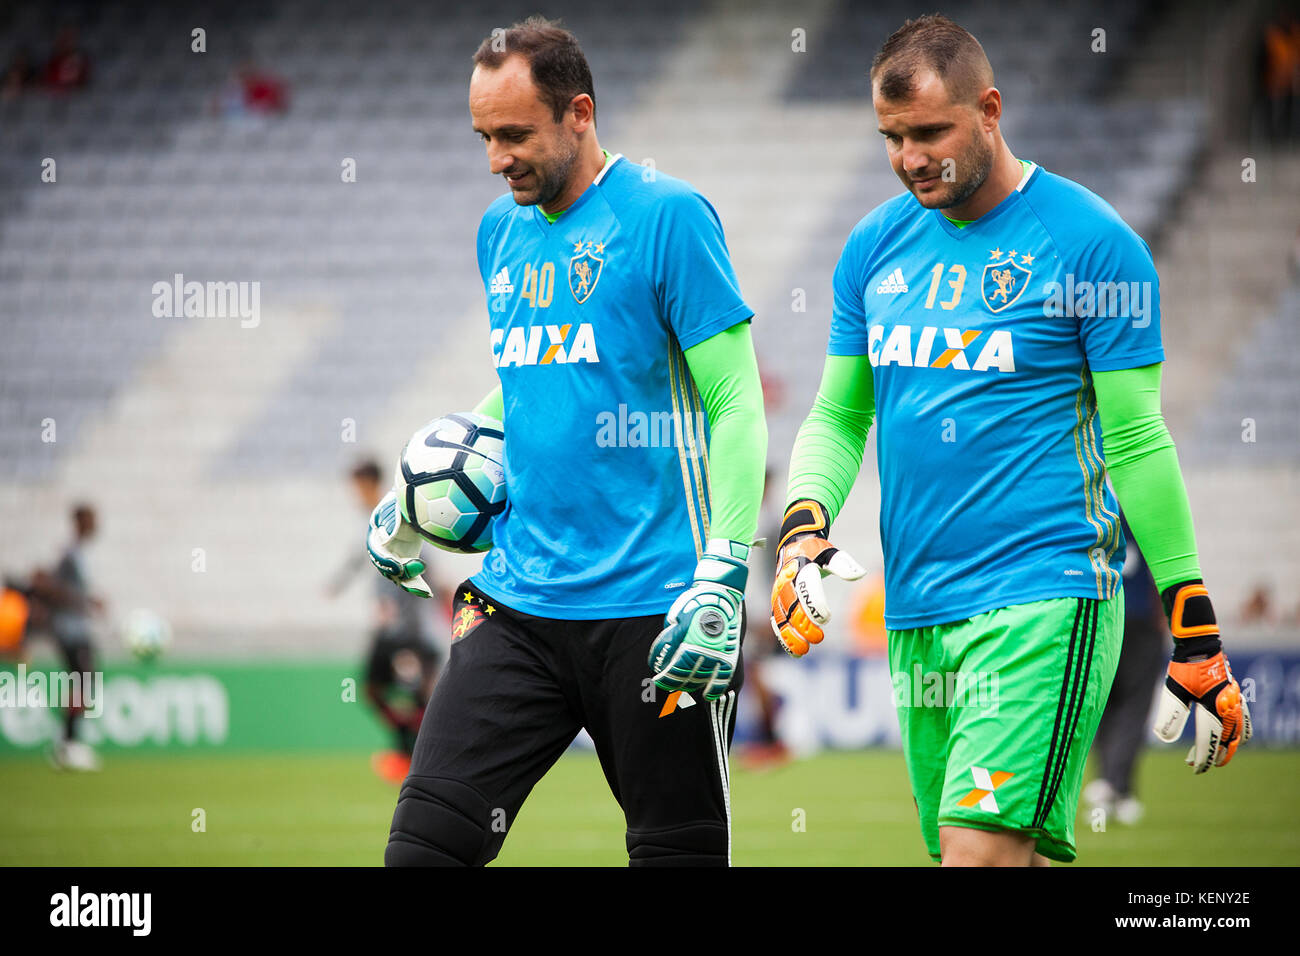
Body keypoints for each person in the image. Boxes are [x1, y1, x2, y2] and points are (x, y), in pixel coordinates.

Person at [769, 14, 1250, 867]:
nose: (910, 157)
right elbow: (842, 415)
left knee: (978, 855)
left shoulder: (1096, 246)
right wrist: (803, 526)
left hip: (1045, 594)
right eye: (891, 137)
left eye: (929, 131)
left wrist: (1196, 627)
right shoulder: (873, 247)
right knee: (989, 856)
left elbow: (1137, 438)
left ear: (989, 109)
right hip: (920, 610)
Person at [367, 16, 766, 866]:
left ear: (578, 113)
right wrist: (412, 493)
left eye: (515, 134)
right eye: (483, 136)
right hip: (518, 605)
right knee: (423, 851)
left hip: (657, 613)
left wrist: (725, 575)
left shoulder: (668, 217)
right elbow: (525, 381)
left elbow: (735, 402)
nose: (496, 157)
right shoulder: (499, 233)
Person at [327, 461, 442, 784]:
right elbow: (356, 559)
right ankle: (407, 745)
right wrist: (338, 583)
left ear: (370, 482)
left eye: (359, 485)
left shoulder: (392, 516)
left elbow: (423, 561)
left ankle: (416, 755)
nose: (355, 493)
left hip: (407, 629)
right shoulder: (367, 521)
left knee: (416, 690)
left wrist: (429, 598)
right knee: (373, 690)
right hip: (386, 629)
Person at [1083, 513, 1168, 825]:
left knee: (1102, 707)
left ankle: (1113, 785)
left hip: (1102, 618)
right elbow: (1162, 571)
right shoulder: (1142, 517)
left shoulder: (1094, 514)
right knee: (1133, 709)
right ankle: (1116, 785)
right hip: (1140, 623)